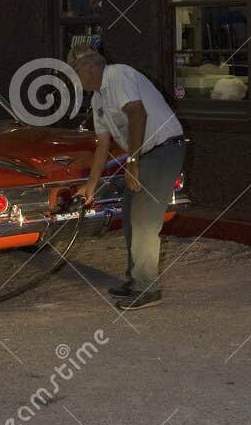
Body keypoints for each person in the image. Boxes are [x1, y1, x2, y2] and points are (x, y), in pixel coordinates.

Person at [67, 45, 186, 310]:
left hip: (162, 149)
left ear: (91, 66)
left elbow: (137, 113)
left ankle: (147, 288)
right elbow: (102, 144)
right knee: (131, 215)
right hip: (144, 154)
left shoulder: (118, 75)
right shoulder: (99, 98)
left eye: (76, 73)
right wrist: (91, 185)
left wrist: (132, 162)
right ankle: (136, 281)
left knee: (144, 219)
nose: (75, 80)